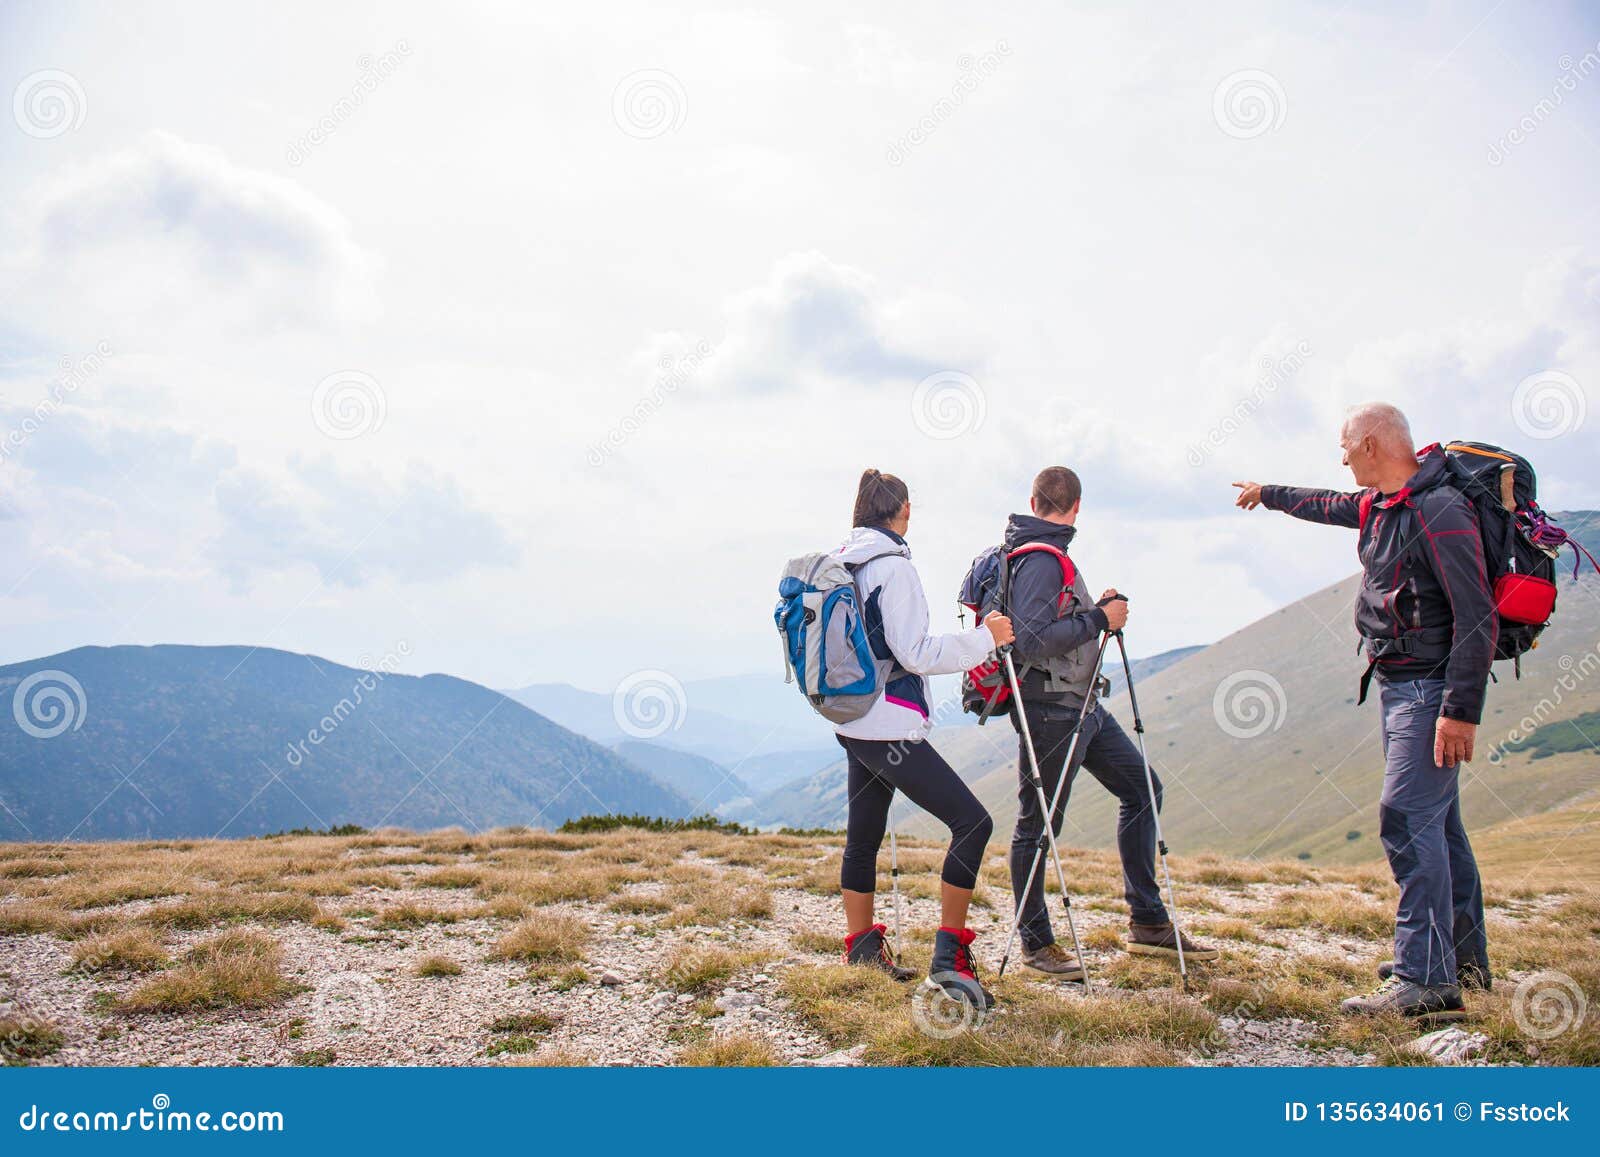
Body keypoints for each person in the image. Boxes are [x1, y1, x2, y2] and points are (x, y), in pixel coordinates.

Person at [1234, 402, 1493, 1021]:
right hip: (1399, 686)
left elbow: (1476, 613)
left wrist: (1460, 710)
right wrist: (1267, 493)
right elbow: (1324, 503)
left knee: (1405, 819)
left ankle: (1424, 981)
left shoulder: (1438, 509)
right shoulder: (1383, 504)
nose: (1341, 455)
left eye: (1346, 444)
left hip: (1429, 694)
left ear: (1373, 444)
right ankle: (1461, 961)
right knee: (1439, 826)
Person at [1003, 466, 1219, 976]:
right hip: (1052, 710)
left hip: (1082, 706)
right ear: (1077, 507)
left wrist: (1094, 610)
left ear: (1034, 500)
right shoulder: (1039, 559)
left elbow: (1048, 626)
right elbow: (1032, 639)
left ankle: (1147, 923)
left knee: (1143, 789)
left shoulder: (1045, 553)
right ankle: (1036, 945)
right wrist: (1101, 619)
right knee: (1039, 824)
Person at [833, 468, 1013, 1009]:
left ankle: (862, 948)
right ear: (903, 511)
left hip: (851, 719)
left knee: (863, 835)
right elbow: (915, 654)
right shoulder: (893, 568)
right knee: (972, 822)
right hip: (889, 722)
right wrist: (985, 638)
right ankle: (949, 960)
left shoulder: (843, 563)